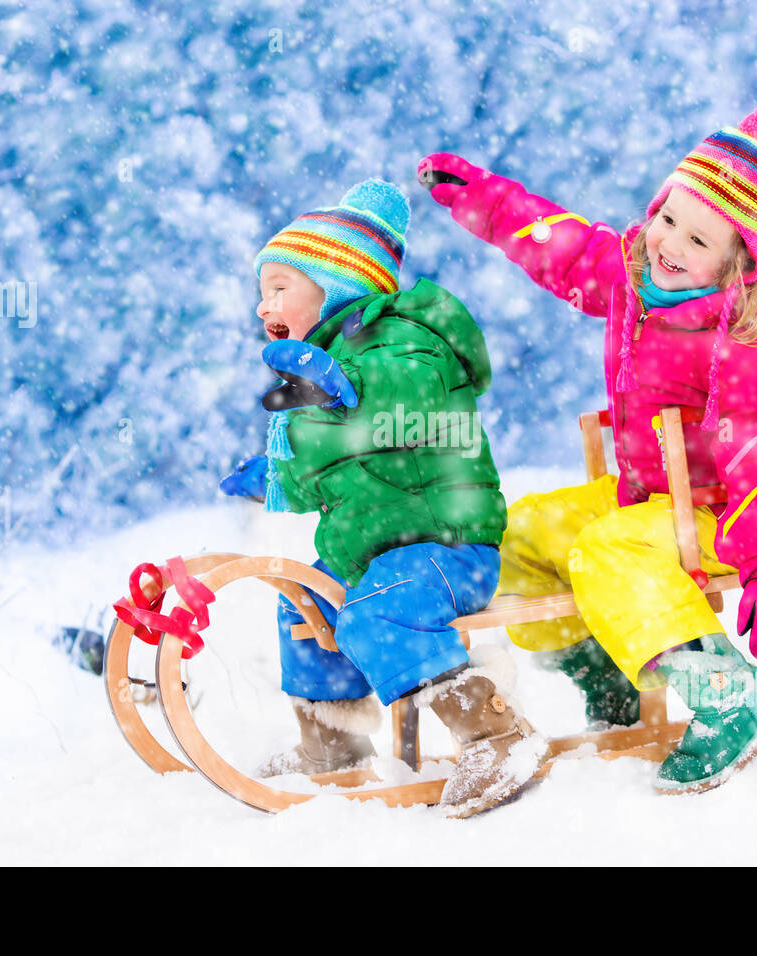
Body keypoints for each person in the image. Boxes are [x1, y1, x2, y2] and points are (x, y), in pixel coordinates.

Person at [417, 104, 757, 792]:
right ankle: (607, 679)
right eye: (668, 218)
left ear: (739, 263)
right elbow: (566, 247)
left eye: (698, 240)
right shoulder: (634, 280)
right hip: (647, 500)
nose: (669, 244)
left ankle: (730, 693)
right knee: (521, 535)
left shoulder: (756, 338)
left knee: (607, 549)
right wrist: (487, 203)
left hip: (718, 515)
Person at [220, 179, 547, 817]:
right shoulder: (328, 370)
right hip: (373, 556)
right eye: (261, 296)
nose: (264, 308)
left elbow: (410, 390)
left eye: (278, 288)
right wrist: (279, 474)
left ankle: (496, 733)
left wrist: (348, 381)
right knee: (305, 599)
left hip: (447, 551)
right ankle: (334, 747)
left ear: (338, 285)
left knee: (376, 611)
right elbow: (337, 457)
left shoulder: (403, 337)